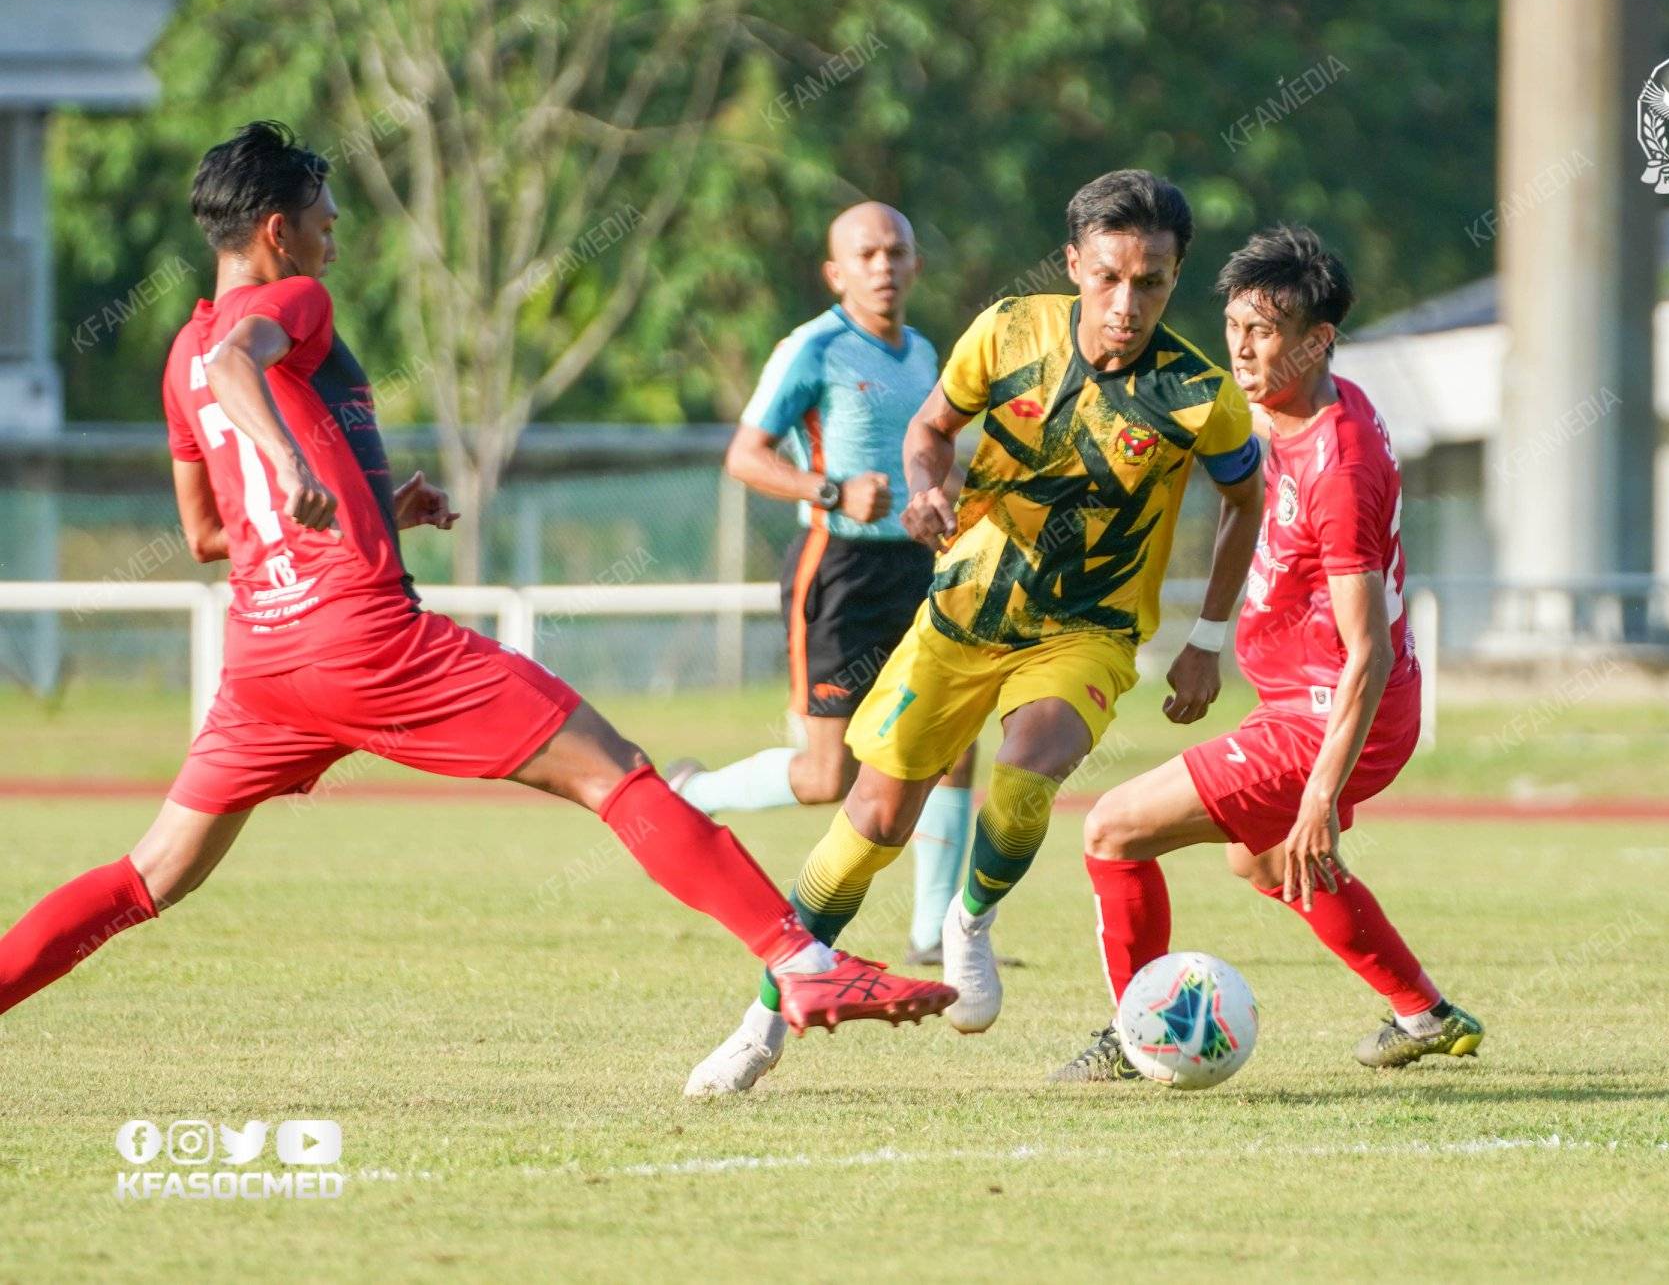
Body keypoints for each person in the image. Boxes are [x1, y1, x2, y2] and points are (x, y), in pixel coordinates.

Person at [0, 122, 955, 1054]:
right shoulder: (290, 306)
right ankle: (798, 961)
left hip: (263, 666)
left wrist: (380, 506)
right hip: (365, 639)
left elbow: (213, 531)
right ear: (274, 233)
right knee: (614, 771)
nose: (332, 243)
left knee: (151, 874)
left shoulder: (175, 357)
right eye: (324, 224)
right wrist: (293, 461)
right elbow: (236, 365)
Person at [685, 169, 1265, 1096]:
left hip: (1089, 628)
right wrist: (924, 488)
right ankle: (760, 1023)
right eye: (1109, 276)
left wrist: (1208, 636)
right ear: (1075, 264)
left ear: (1175, 276)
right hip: (964, 610)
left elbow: (1245, 498)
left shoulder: (1200, 394)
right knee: (870, 822)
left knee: (1032, 760)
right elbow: (932, 427)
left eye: (1151, 281)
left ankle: (970, 918)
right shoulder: (1006, 331)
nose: (1128, 302)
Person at [1050, 226, 1482, 1081]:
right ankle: (1425, 1015)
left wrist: (1320, 790)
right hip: (1311, 701)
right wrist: (1209, 643)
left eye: (1265, 331)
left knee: (1113, 829)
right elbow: (1244, 514)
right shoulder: (1290, 409)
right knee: (1264, 857)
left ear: (1318, 341)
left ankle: (1137, 1035)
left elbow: (1366, 652)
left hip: (1332, 710)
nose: (1242, 350)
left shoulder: (1341, 469)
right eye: (1236, 326)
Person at [666, 202, 975, 966]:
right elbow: (743, 455)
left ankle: (933, 932)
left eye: (896, 252)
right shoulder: (813, 347)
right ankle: (692, 797)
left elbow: (935, 452)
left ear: (916, 265)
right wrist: (830, 490)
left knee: (956, 749)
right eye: (866, 255)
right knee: (824, 776)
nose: (883, 267)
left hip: (919, 570)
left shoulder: (923, 351)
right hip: (839, 571)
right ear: (836, 272)